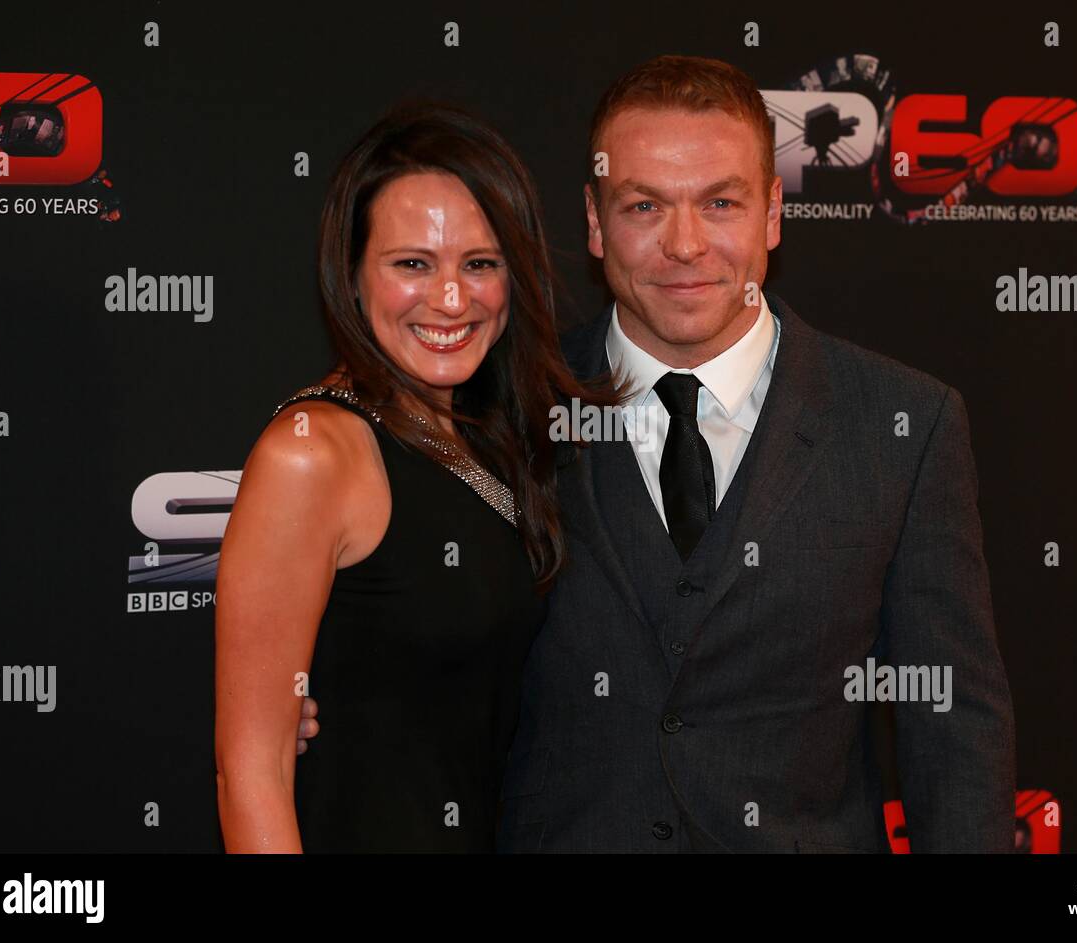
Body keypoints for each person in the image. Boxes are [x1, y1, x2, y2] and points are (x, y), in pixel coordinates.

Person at [299, 55, 1017, 853]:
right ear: (596, 222)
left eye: (720, 203)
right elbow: (409, 621)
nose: (684, 245)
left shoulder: (903, 424)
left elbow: (953, 730)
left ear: (774, 214)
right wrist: (310, 694)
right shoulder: (493, 411)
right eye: (645, 205)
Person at [214, 102, 614, 852]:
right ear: (353, 273)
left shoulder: (484, 437)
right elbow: (251, 771)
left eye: (480, 263)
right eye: (412, 264)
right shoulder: (313, 454)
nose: (453, 299)